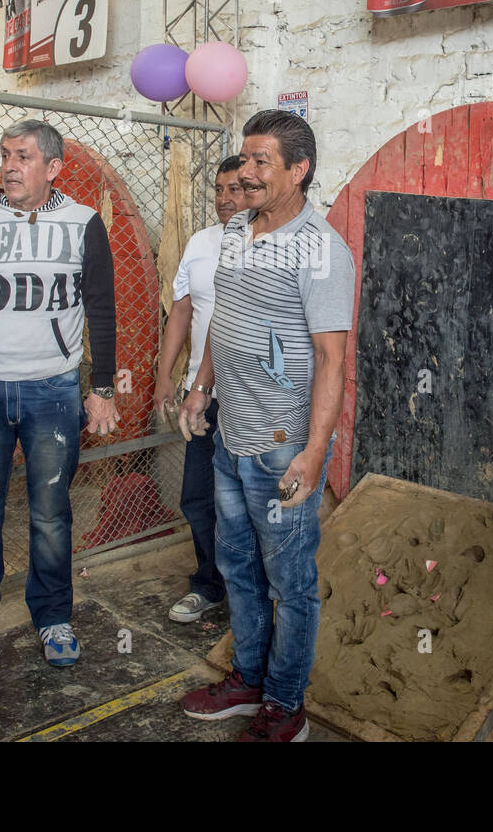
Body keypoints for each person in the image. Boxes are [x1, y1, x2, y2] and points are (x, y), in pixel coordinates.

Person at [178, 109, 355, 742]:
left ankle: (285, 703)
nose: (247, 174)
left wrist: (314, 452)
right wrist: (201, 388)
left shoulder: (321, 249)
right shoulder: (236, 230)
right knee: (237, 568)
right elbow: (222, 317)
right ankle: (247, 681)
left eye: (261, 163)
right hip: (229, 431)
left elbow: (333, 359)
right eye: (244, 160)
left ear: (298, 170)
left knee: (290, 583)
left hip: (280, 444)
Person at [0, 118, 119, 676]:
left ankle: (53, 617)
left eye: (23, 157)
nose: (9, 166)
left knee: (49, 515)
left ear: (54, 168)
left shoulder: (84, 223)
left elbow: (102, 309)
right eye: (5, 155)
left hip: (54, 391)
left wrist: (103, 389)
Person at [153, 156, 244, 623]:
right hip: (201, 394)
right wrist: (166, 375)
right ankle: (210, 585)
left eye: (235, 189)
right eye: (219, 190)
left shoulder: (267, 243)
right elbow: (182, 313)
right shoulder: (200, 242)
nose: (226, 199)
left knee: (247, 499)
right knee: (197, 495)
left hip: (249, 394)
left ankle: (248, 591)